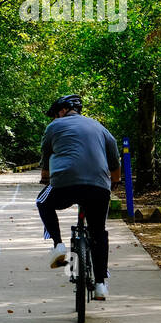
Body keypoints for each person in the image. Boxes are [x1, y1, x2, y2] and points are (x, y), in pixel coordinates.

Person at [37, 94, 121, 301]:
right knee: (98, 232)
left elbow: (46, 159)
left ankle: (58, 245)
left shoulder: (54, 127)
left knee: (42, 201)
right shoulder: (99, 127)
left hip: (65, 184)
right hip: (99, 187)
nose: (56, 117)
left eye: (57, 113)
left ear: (63, 110)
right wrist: (114, 182)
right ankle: (101, 284)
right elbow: (114, 159)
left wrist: (45, 177)